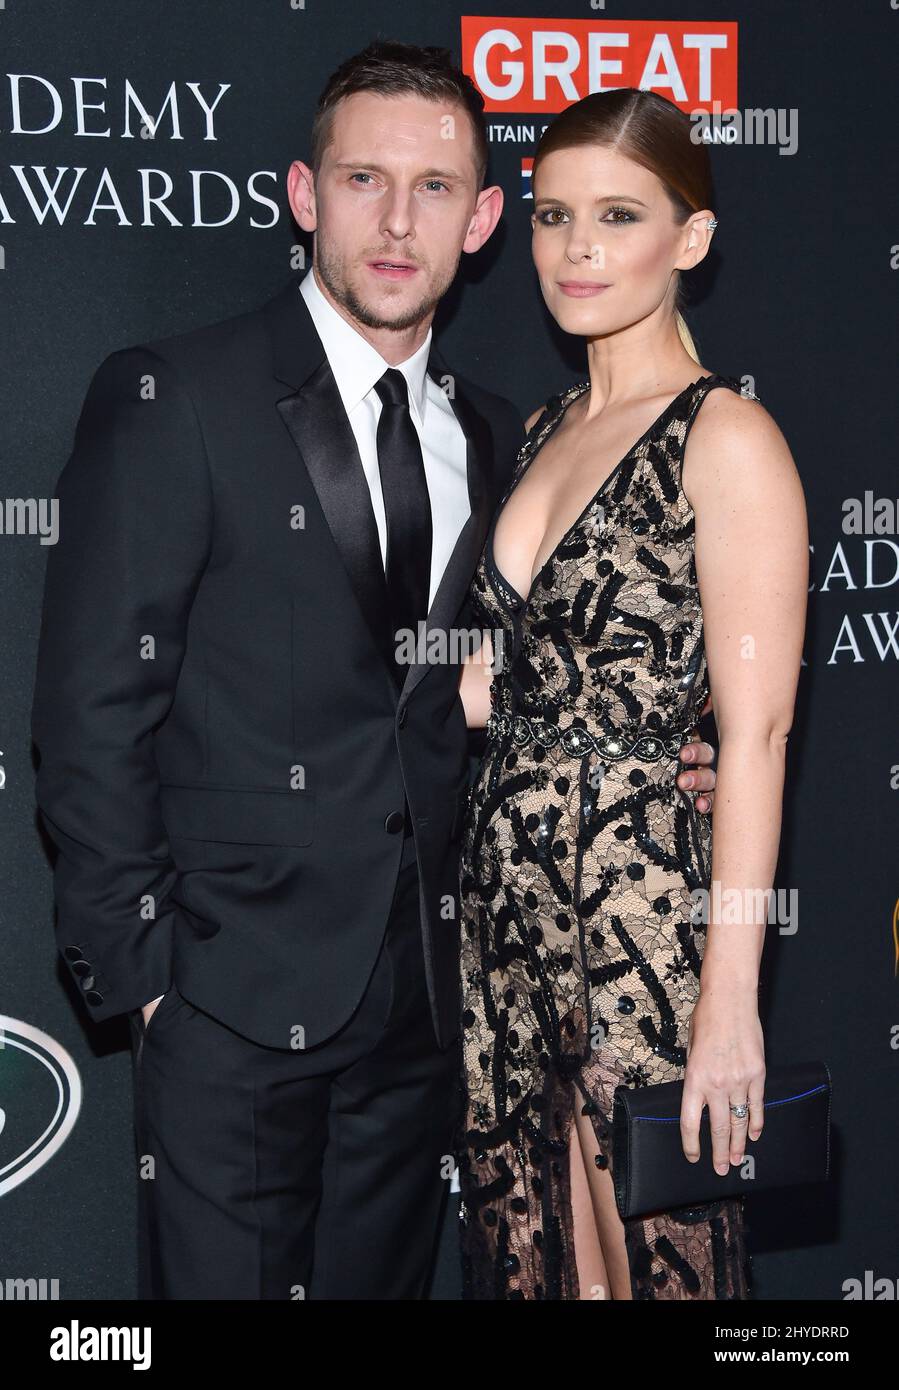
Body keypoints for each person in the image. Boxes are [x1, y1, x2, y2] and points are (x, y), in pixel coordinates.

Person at [30, 46, 720, 1300]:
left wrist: (664, 751)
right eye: (363, 179)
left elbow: (514, 685)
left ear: (483, 220)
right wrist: (146, 990)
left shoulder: (502, 431)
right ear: (304, 195)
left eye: (435, 187)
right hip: (226, 1008)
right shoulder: (175, 394)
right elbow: (89, 713)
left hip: (427, 1011)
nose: (398, 221)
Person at [455, 87, 808, 1301]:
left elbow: (755, 739)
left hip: (639, 928)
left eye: (617, 214)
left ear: (690, 240)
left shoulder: (726, 437)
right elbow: (519, 671)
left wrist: (729, 1003)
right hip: (506, 931)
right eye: (553, 216)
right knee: (542, 1273)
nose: (576, 248)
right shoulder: (544, 427)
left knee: (664, 1278)